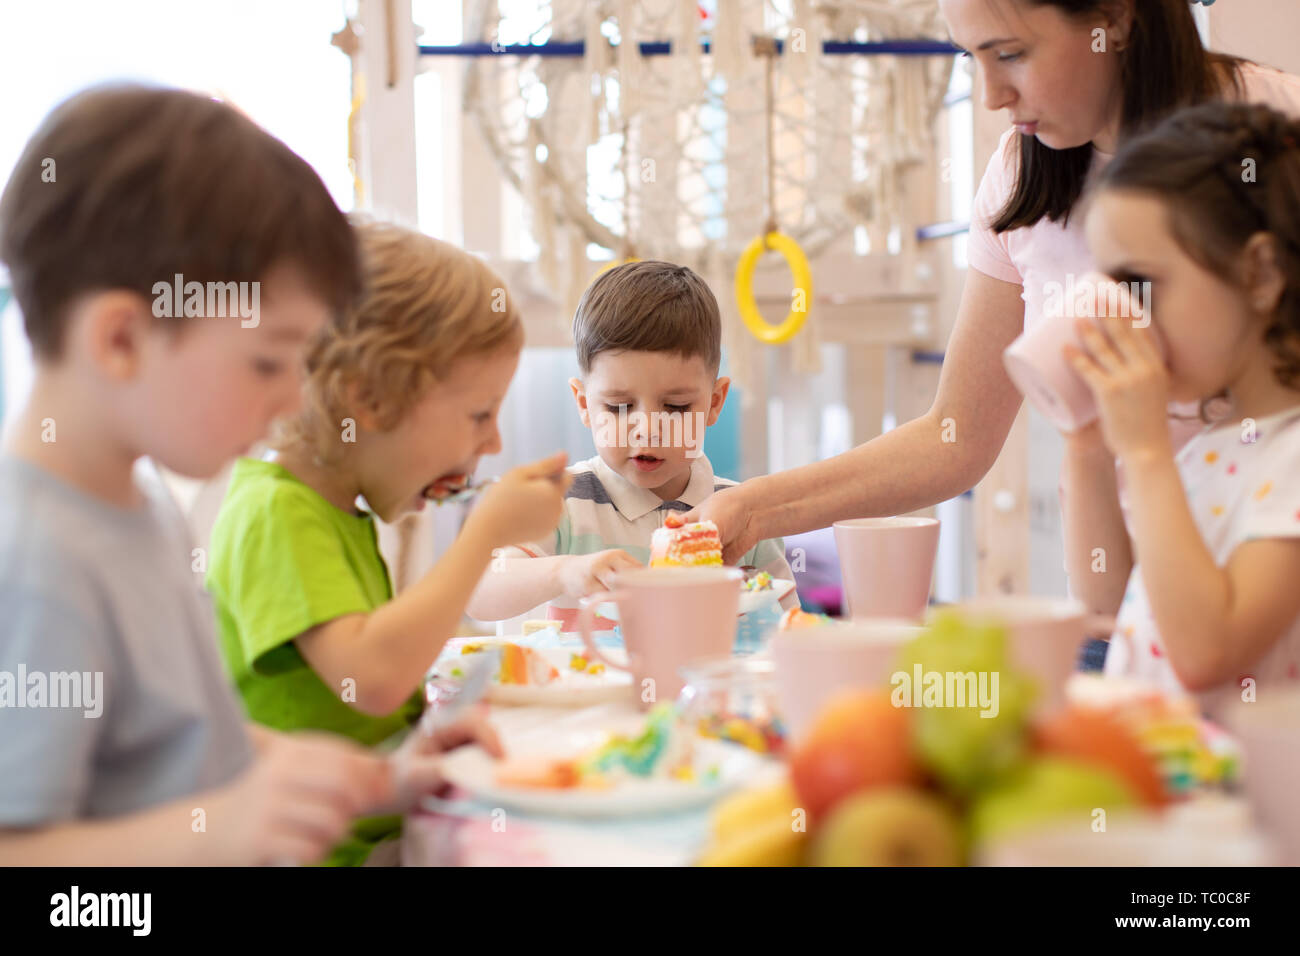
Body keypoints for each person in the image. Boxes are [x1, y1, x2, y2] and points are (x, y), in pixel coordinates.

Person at [685, 0, 1300, 664]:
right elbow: (958, 434)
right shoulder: (1022, 174)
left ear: (1116, 19)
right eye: (970, 58)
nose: (991, 96)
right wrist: (752, 509)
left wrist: (1144, 452)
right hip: (1132, 610)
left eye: (1010, 53)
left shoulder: (1273, 144)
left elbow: (1214, 649)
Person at [0, 85, 492, 865]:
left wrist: (375, 778)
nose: (297, 397)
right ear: (121, 339)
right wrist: (215, 832)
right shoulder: (36, 558)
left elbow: (187, 739)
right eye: (268, 360)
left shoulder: (137, 505)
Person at [206, 220, 568, 864]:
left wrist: (416, 747)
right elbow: (371, 678)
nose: (493, 446)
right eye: (480, 415)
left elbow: (364, 702)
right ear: (370, 400)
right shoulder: (274, 513)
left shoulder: (331, 510)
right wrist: (483, 535)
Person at [1063, 101, 1300, 718]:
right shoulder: (1215, 447)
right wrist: (1089, 445)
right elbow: (1106, 601)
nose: (1122, 315)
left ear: (1261, 274)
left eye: (1138, 286)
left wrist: (1144, 454)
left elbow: (1205, 652)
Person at [467, 261, 796, 628]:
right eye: (619, 407)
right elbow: (478, 592)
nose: (647, 430)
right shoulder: (564, 502)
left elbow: (789, 631)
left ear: (714, 403)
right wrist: (565, 571)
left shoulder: (742, 516)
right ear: (584, 404)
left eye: (675, 407)